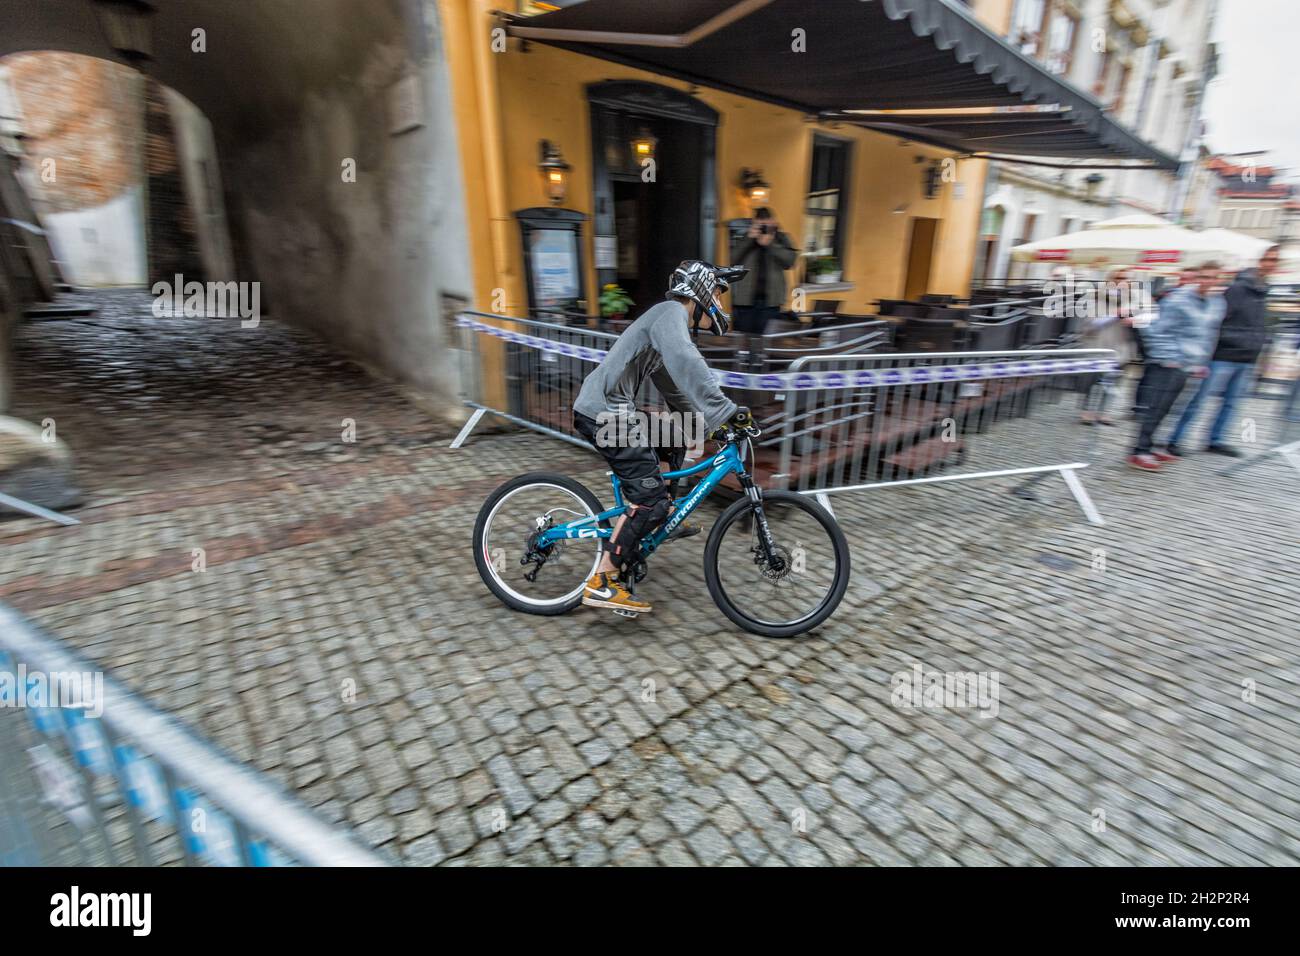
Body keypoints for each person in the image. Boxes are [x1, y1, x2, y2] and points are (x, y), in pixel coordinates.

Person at [572, 260, 754, 616]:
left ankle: (661, 515)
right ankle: (604, 581)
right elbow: (687, 361)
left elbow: (675, 389)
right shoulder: (670, 312)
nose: (719, 302)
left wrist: (710, 427)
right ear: (699, 290)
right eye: (717, 293)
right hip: (603, 414)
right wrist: (724, 411)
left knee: (673, 436)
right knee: (648, 498)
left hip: (613, 411)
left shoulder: (667, 324)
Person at [1165, 246, 1280, 457]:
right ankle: (1175, 439)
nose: (1271, 264)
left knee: (1232, 403)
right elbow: (1217, 321)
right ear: (1260, 260)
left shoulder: (1264, 290)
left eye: (1275, 260)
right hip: (1224, 355)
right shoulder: (1238, 289)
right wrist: (1231, 342)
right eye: (1269, 259)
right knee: (1198, 400)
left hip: (1248, 356)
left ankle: (1215, 440)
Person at [1127, 261, 1220, 471]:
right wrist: (1168, 357)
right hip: (1170, 362)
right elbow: (1156, 330)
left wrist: (1203, 361)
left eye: (1213, 277)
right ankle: (1139, 449)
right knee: (1156, 406)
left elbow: (1210, 334)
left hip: (1191, 363)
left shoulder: (1216, 303)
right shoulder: (1178, 300)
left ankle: (1152, 445)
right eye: (1205, 276)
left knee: (1171, 408)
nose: (1209, 281)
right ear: (1198, 277)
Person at [729, 208, 797, 365]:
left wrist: (770, 244)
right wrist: (748, 238)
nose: (763, 229)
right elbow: (731, 259)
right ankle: (741, 371)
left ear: (774, 222)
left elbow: (790, 261)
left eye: (767, 224)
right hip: (744, 302)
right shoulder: (747, 238)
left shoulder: (781, 238)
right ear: (754, 223)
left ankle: (763, 373)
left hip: (770, 303)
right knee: (742, 342)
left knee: (766, 343)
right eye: (760, 225)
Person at [1078, 267, 1135, 425]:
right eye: (1119, 278)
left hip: (1121, 343)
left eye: (1127, 279)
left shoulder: (1132, 300)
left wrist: (1135, 319)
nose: (1123, 282)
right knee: (1092, 379)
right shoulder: (1097, 297)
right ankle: (1087, 411)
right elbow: (1090, 324)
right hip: (1099, 343)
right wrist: (1115, 315)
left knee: (1114, 379)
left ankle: (1104, 412)